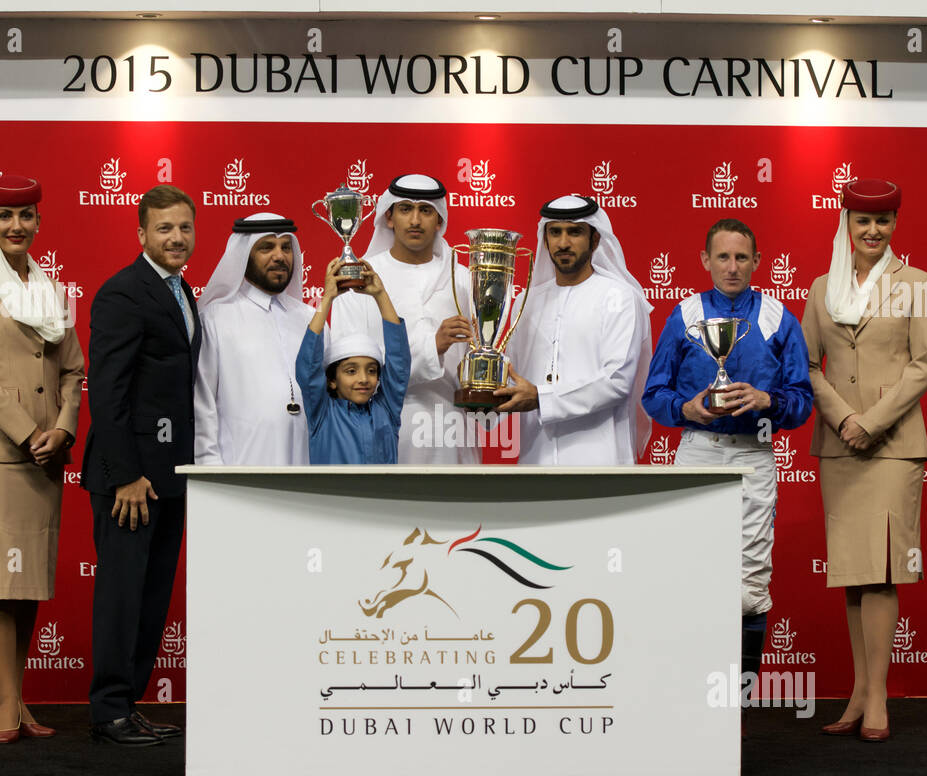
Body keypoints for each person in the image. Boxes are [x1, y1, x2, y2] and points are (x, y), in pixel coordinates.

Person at [642, 218, 812, 695]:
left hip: (753, 453)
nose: (732, 267)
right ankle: (685, 694)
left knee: (750, 582)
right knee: (684, 571)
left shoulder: (780, 317)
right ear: (705, 261)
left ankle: (734, 704)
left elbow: (801, 401)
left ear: (758, 262)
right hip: (697, 452)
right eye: (723, 257)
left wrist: (769, 402)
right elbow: (654, 394)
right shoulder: (685, 314)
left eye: (742, 257)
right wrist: (685, 408)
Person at [0, 174, 84, 744]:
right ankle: (7, 703)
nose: (16, 225)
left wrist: (65, 426)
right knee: (2, 578)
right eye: (5, 215)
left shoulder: (50, 287)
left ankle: (14, 696)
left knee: (26, 580)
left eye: (26, 215)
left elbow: (74, 368)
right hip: (0, 450)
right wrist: (31, 431)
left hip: (47, 454)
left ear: (38, 222)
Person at [801, 179, 927, 742]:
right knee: (856, 575)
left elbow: (924, 365)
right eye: (863, 220)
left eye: (884, 221)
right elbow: (808, 365)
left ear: (895, 224)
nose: (873, 231)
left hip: (893, 443)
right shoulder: (819, 287)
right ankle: (859, 691)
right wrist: (843, 418)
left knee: (883, 570)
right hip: (840, 445)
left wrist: (871, 421)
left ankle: (879, 694)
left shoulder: (920, 284)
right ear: (846, 223)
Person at [82, 185, 200, 746]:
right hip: (129, 479)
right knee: (123, 595)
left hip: (171, 475)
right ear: (142, 235)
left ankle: (128, 703)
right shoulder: (122, 294)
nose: (176, 238)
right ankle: (108, 710)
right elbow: (106, 395)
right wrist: (127, 474)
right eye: (164, 229)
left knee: (152, 596)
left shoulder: (181, 291)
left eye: (184, 227)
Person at [495, 195, 652, 465]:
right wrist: (485, 389)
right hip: (536, 458)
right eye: (555, 232)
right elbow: (515, 377)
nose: (563, 243)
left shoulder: (619, 297)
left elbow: (617, 381)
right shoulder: (525, 302)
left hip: (599, 459)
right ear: (545, 239)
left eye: (575, 232)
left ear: (595, 239)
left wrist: (541, 398)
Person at [329, 174, 475, 463]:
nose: (416, 220)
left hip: (451, 430)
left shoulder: (464, 280)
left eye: (426, 210)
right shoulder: (360, 280)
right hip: (382, 428)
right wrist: (432, 347)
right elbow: (348, 371)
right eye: (406, 209)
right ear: (390, 217)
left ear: (440, 221)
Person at [193, 214, 311, 465]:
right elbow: (202, 404)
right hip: (239, 472)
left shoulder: (310, 319)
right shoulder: (214, 318)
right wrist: (210, 470)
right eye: (267, 247)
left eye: (286, 247)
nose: (279, 256)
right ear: (244, 255)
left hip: (307, 469)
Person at [296, 258, 410, 464]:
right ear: (332, 380)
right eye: (351, 371)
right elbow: (307, 368)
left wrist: (380, 295)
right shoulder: (322, 413)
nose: (364, 378)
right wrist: (327, 299)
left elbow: (399, 362)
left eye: (372, 370)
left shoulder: (386, 410)